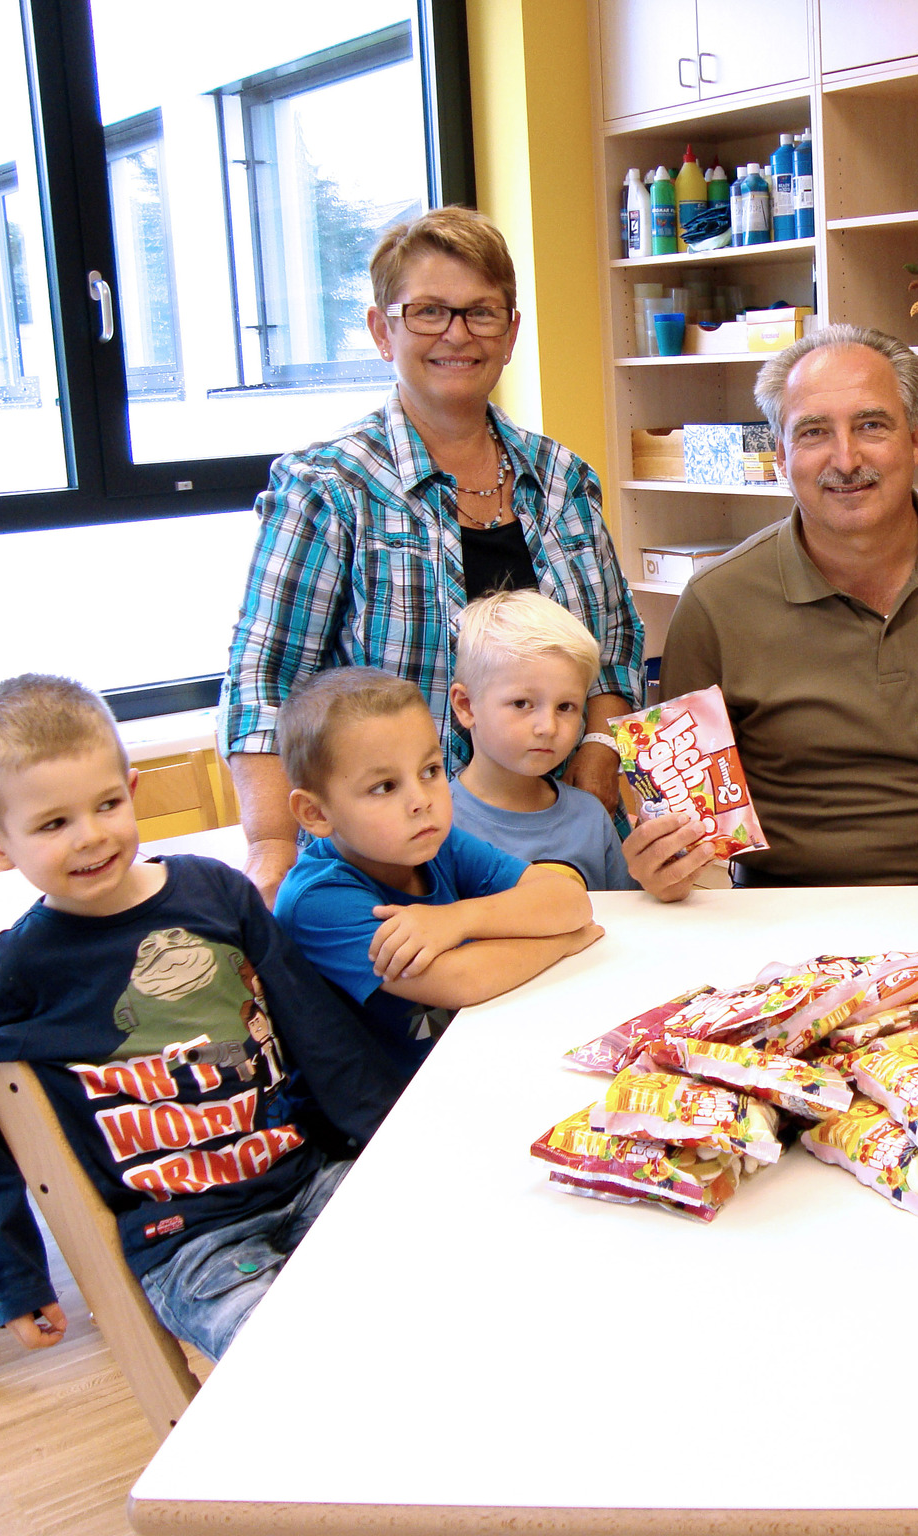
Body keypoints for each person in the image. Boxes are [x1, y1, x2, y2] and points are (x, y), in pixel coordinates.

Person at [0, 675, 403, 1363]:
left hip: (309, 1177)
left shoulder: (214, 892)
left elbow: (317, 1028)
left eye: (105, 805)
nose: (90, 837)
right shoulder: (19, 969)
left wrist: (389, 1139)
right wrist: (16, 1274)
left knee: (440, 1273)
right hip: (186, 1238)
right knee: (293, 1361)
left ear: (132, 791)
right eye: (52, 824)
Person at [222, 206, 644, 907]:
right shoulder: (329, 488)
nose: (457, 334)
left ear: (510, 334)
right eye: (427, 312)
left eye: (481, 313)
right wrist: (270, 848)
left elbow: (616, 649)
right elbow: (266, 682)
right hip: (390, 865)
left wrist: (598, 763)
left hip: (555, 846)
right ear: (382, 332)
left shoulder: (563, 480)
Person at [634, 324, 918, 894]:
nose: (846, 459)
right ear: (782, 454)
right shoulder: (714, 600)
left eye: (871, 425)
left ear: (915, 440)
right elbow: (685, 829)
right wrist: (666, 868)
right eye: (814, 432)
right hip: (777, 910)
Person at [272, 667, 603, 1089]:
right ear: (316, 814)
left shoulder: (434, 844)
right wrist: (565, 940)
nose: (421, 801)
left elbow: (569, 899)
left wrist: (458, 919)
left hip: (472, 1062)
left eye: (429, 771)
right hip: (391, 1117)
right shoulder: (317, 901)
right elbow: (463, 980)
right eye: (385, 786)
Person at [448, 589, 638, 890]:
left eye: (565, 707)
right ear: (466, 705)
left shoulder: (591, 817)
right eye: (522, 704)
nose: (548, 727)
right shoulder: (437, 823)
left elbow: (628, 923)